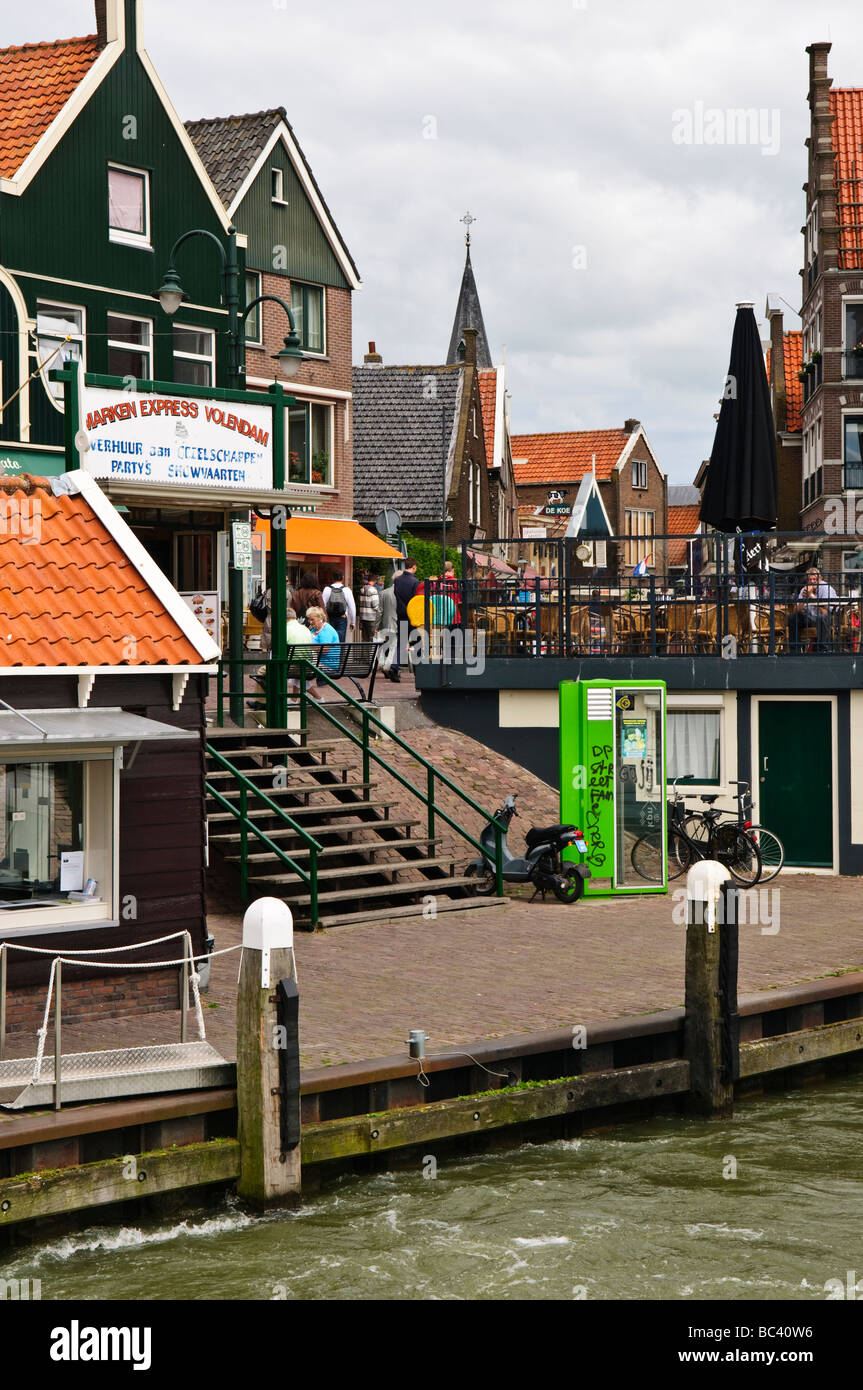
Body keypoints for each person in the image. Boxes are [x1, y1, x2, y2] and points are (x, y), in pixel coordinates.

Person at [788, 566, 838, 652]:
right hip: (809, 618)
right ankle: (794, 650)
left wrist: (811, 595)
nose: (812, 582)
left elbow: (824, 611)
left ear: (819, 579)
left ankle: (822, 649)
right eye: (809, 579)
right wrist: (803, 599)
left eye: (814, 579)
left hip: (824, 618)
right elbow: (796, 610)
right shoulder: (804, 589)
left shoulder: (825, 588)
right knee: (793, 618)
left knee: (822, 617)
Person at [306, 605, 341, 692]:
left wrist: (309, 647)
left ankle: (315, 697)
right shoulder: (314, 630)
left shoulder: (326, 630)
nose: (310, 622)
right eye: (309, 619)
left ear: (320, 618)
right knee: (299, 670)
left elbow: (324, 650)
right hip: (317, 662)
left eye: (312, 619)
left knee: (299, 668)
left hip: (328, 665)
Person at [393, 558, 419, 673]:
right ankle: (418, 668)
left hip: (401, 614)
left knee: (401, 642)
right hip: (412, 616)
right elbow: (415, 600)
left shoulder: (397, 580)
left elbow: (397, 596)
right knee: (417, 642)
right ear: (413, 567)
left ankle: (394, 666)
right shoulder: (415, 582)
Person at [322, 570, 356, 642]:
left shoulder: (327, 589)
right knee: (341, 641)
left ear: (332, 578)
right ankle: (341, 653)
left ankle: (332, 653)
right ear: (342, 578)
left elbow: (322, 606)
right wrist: (353, 622)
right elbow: (352, 607)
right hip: (342, 618)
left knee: (330, 640)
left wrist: (324, 620)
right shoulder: (347, 590)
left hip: (330, 618)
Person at [378, 578, 399, 681]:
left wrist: (377, 626)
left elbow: (380, 611)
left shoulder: (384, 593)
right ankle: (387, 666)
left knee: (385, 645)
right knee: (393, 646)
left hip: (386, 623)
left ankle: (383, 664)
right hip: (397, 623)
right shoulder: (401, 592)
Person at [358, 572, 381, 642]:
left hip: (363, 618)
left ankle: (365, 653)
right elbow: (375, 606)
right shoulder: (373, 590)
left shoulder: (362, 589)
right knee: (371, 638)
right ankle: (371, 653)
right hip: (371, 618)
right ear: (375, 581)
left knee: (364, 639)